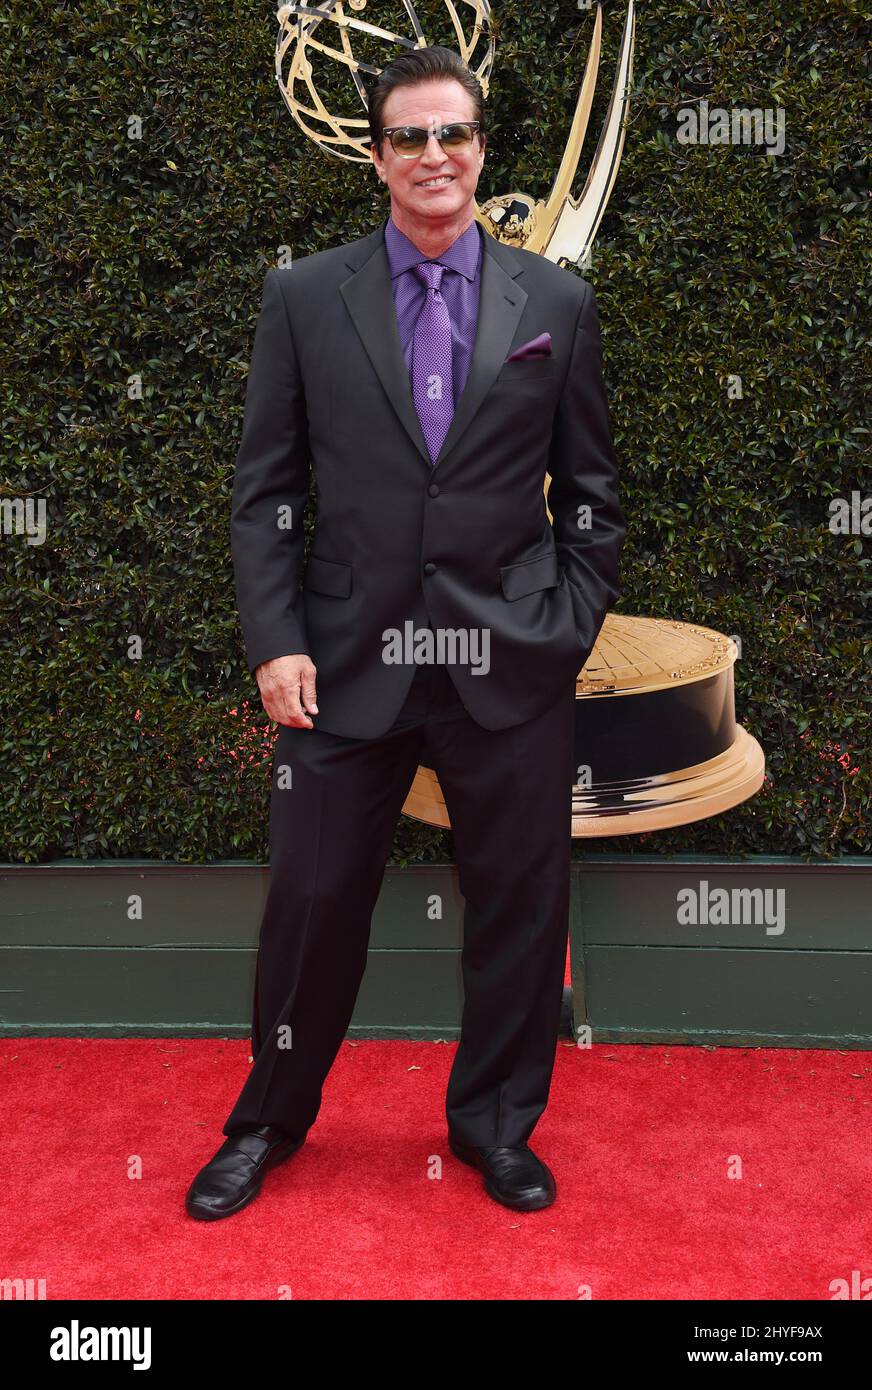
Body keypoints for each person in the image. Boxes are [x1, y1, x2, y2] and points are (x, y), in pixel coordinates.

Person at [186, 44, 626, 1221]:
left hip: (506, 661)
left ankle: (495, 1129)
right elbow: (263, 487)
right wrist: (275, 638)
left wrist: (562, 628)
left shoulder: (556, 303)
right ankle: (267, 1122)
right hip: (345, 663)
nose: (434, 156)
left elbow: (590, 497)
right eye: (408, 138)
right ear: (375, 156)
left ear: (480, 150)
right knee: (311, 908)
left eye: (453, 135)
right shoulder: (302, 298)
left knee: (522, 910)